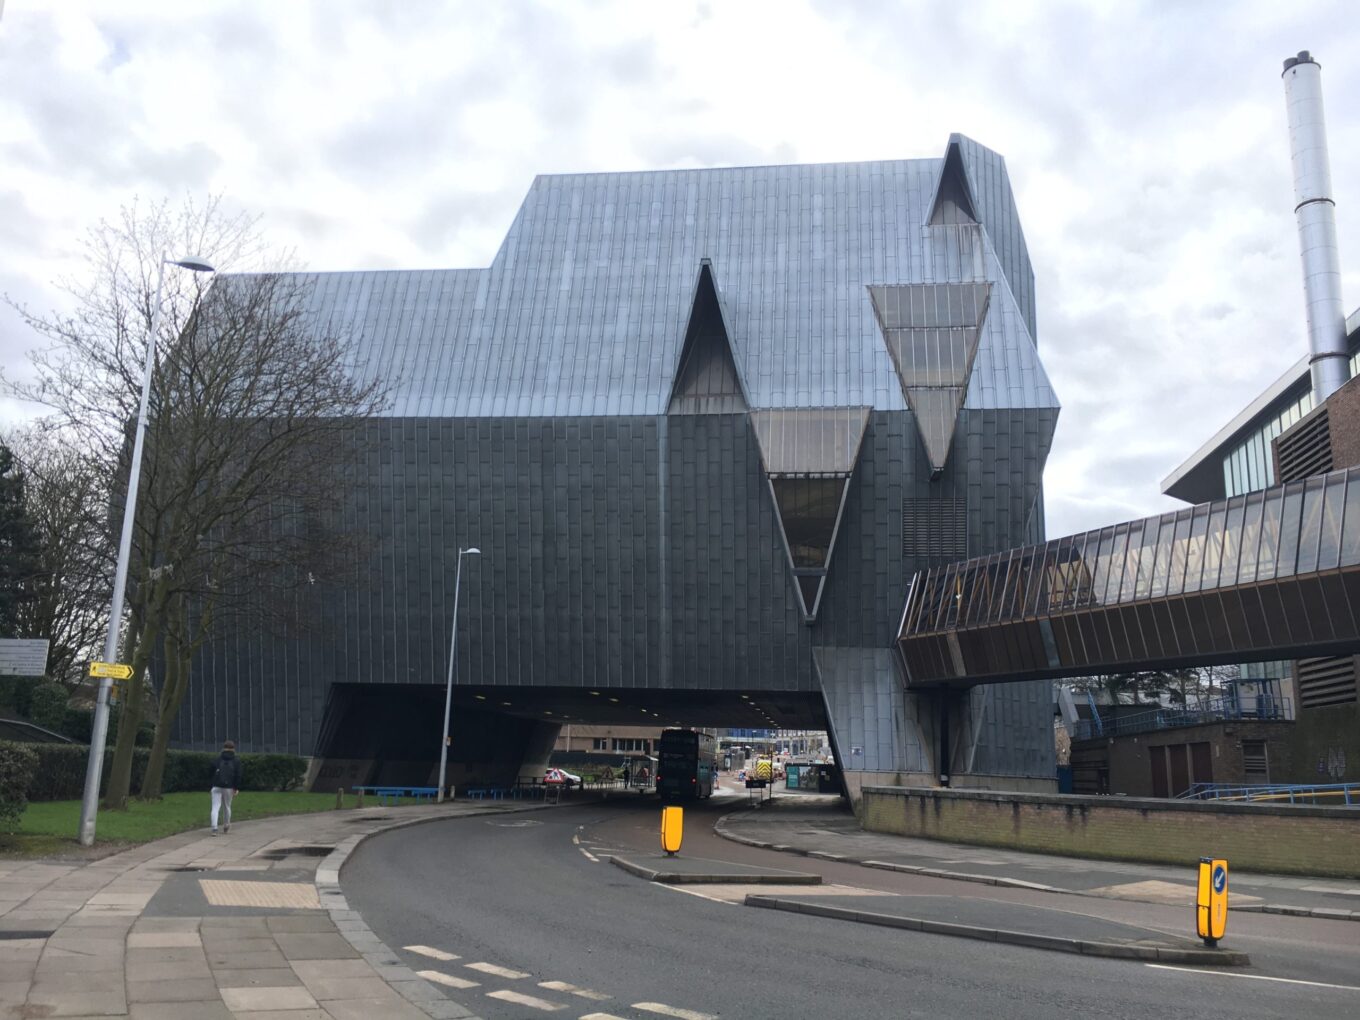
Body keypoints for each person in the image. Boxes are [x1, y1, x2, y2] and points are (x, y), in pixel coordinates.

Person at [210, 740, 242, 835]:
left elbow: (210, 771)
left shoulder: (218, 759)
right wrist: (236, 788)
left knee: (215, 807)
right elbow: (238, 775)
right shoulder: (236, 760)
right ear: (233, 749)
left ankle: (214, 828)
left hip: (216, 786)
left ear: (223, 748)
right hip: (229, 787)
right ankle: (226, 825)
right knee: (227, 807)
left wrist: (211, 784)